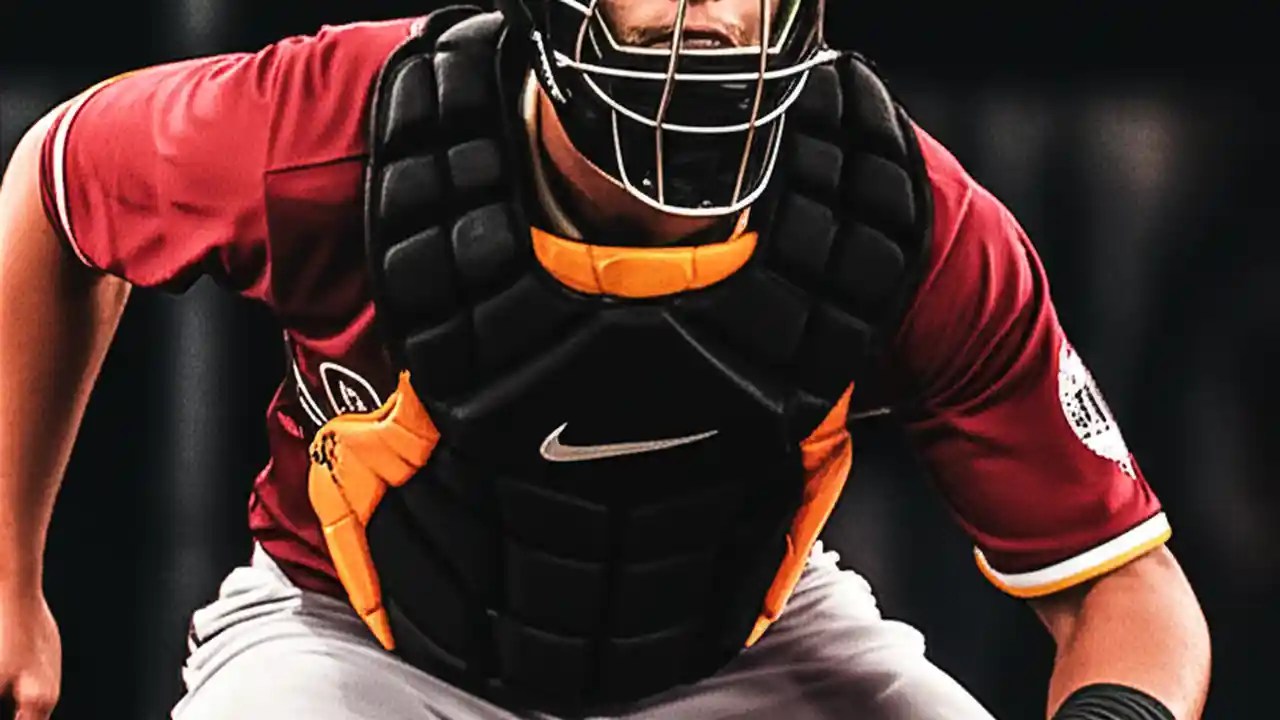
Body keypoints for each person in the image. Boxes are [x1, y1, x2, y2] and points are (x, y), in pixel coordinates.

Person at [0, 0, 1211, 718]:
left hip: (739, 648)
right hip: (360, 648)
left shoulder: (899, 222)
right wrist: (4, 578)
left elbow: (1130, 596)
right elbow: (56, 185)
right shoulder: (338, 132)